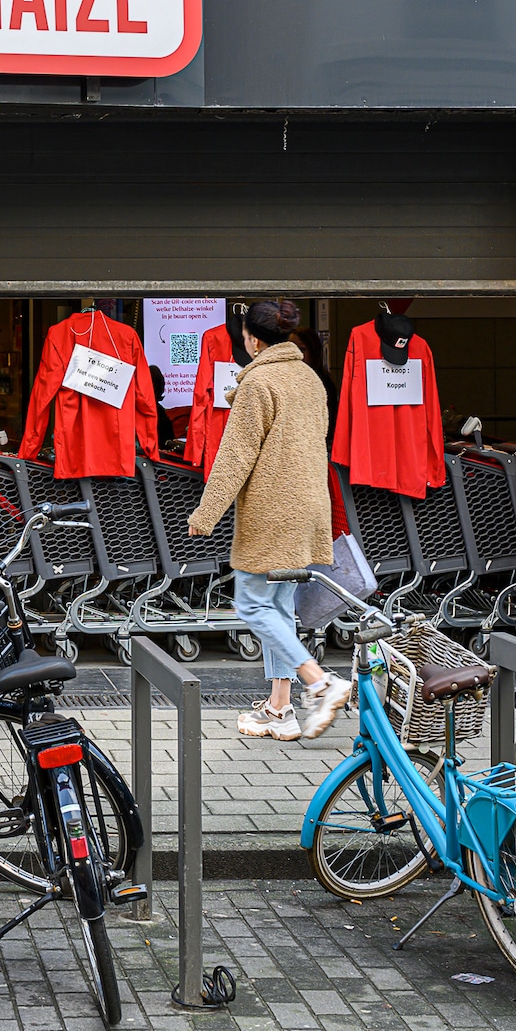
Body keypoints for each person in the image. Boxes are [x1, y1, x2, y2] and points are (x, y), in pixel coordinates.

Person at [187, 299, 353, 742]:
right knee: (278, 608)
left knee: (252, 605)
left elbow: (235, 457)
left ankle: (319, 682)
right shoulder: (310, 380)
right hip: (309, 508)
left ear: (252, 339)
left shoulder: (259, 383)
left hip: (272, 512)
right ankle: (280, 709)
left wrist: (206, 513)